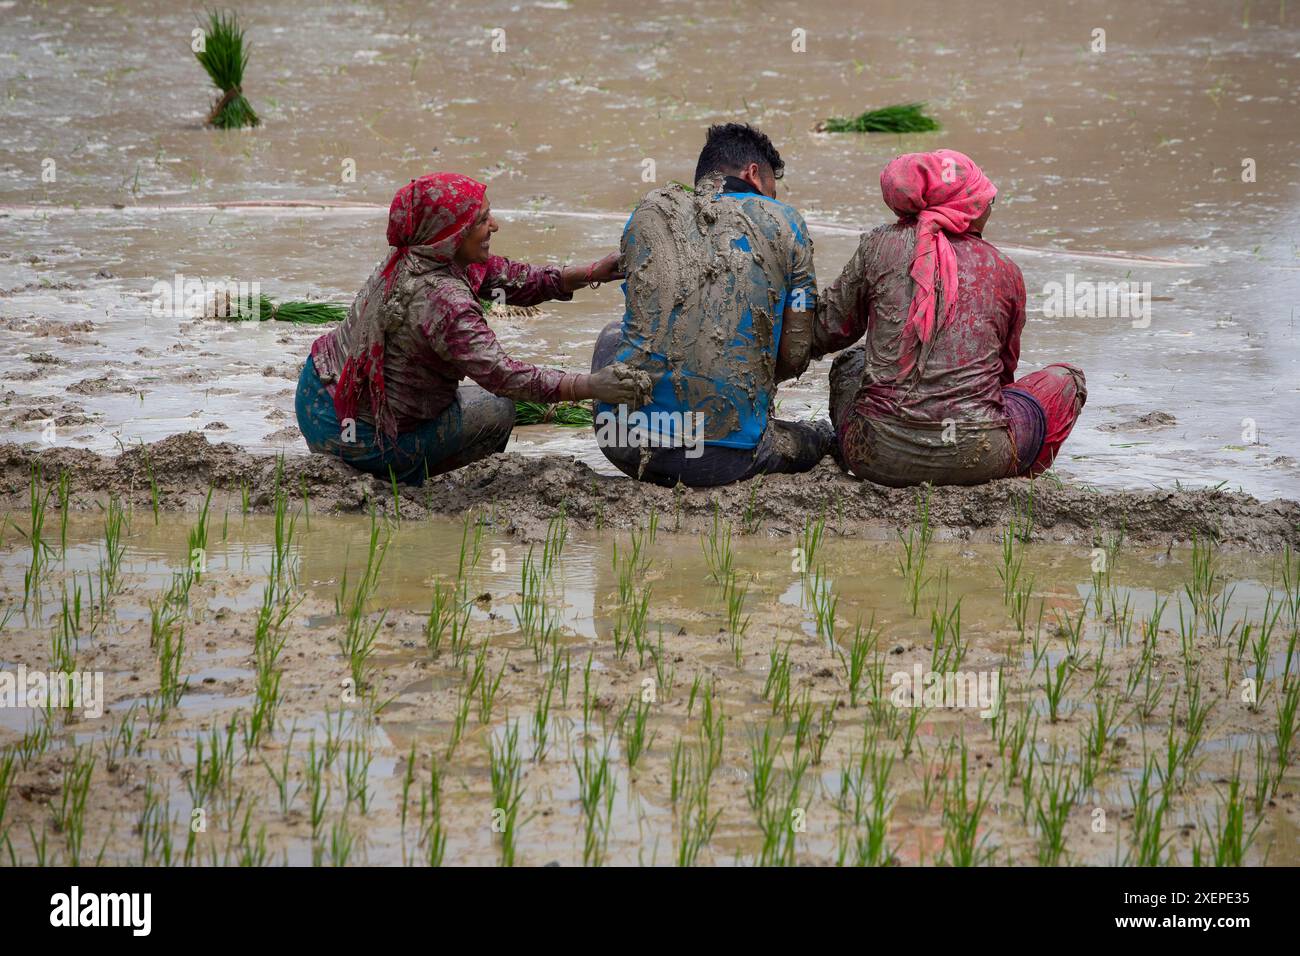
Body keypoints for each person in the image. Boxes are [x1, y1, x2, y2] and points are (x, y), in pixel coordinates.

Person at [296, 172, 644, 483]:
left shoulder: (415, 252)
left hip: (316, 393)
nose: (494, 224)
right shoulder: (445, 302)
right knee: (498, 409)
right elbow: (504, 376)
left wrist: (590, 273)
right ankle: (407, 482)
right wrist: (592, 385)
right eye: (481, 220)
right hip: (361, 439)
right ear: (453, 235)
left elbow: (511, 279)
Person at [811, 149, 1086, 487]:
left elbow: (830, 329)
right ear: (966, 205)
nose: (988, 207)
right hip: (980, 456)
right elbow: (1004, 369)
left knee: (851, 361)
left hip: (876, 456)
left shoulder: (877, 246)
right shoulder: (1003, 268)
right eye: (984, 199)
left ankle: (860, 446)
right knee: (1066, 380)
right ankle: (1015, 480)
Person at [589, 122, 834, 488]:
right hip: (724, 460)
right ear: (753, 173)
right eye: (772, 190)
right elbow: (795, 354)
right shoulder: (786, 222)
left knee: (611, 336)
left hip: (624, 444)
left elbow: (649, 323)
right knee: (819, 436)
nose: (772, 200)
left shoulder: (650, 213)